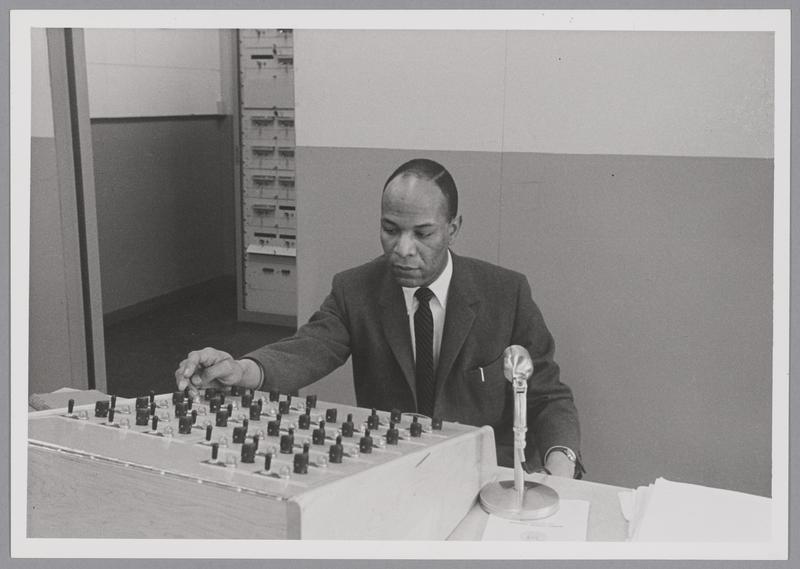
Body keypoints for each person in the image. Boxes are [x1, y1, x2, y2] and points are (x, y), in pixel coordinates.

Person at [175, 159, 582, 477]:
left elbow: (547, 395)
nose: (402, 249)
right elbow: (310, 347)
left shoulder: (506, 293)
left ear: (453, 228)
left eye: (422, 234)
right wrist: (242, 369)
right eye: (390, 229)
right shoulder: (356, 290)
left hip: (487, 474)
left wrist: (560, 463)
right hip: (390, 467)